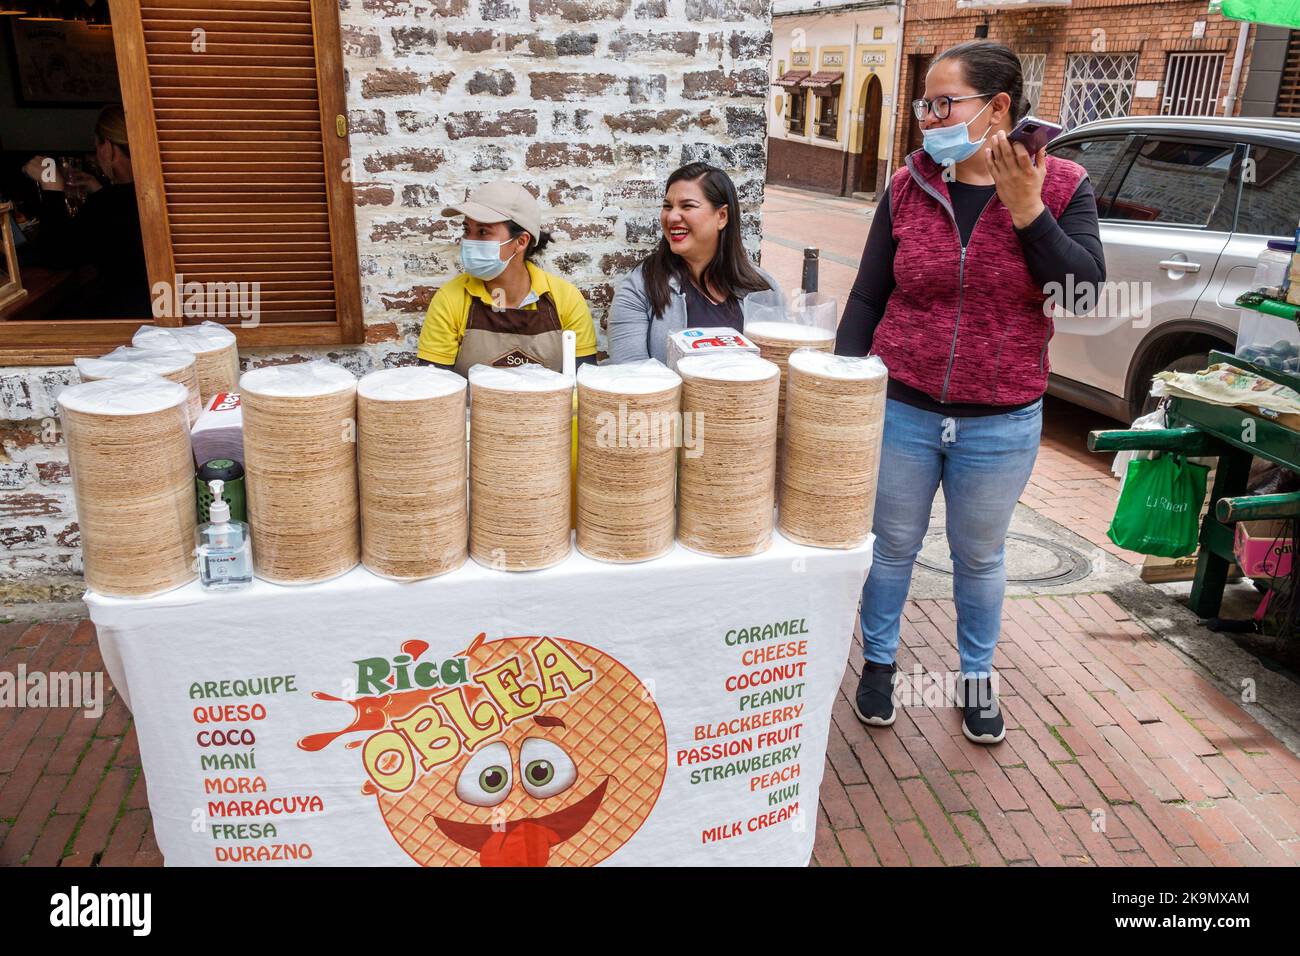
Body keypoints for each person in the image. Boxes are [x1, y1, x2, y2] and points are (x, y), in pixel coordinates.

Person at [836, 40, 1105, 744]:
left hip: (1001, 419)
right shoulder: (908, 186)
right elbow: (868, 295)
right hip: (903, 407)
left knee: (979, 556)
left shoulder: (1064, 185)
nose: (928, 118)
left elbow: (1081, 292)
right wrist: (839, 387)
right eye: (924, 105)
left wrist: (1028, 211)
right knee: (891, 546)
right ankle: (879, 665)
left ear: (998, 108)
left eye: (943, 103)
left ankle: (977, 677)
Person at [417, 180, 596, 375]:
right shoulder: (450, 299)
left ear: (521, 241)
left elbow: (583, 383)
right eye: (467, 230)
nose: (469, 241)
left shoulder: (566, 299)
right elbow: (434, 386)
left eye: (483, 231)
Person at [608, 162, 782, 364]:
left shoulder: (763, 289)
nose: (672, 216)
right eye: (667, 206)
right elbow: (630, 371)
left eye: (687, 206)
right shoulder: (641, 287)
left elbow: (779, 363)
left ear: (722, 216)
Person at [22, 104, 150, 317]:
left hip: (126, 316)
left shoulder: (108, 205)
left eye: (97, 146)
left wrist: (52, 187)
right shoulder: (148, 194)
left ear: (107, 148)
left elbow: (57, 256)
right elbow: (122, 219)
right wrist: (98, 189)